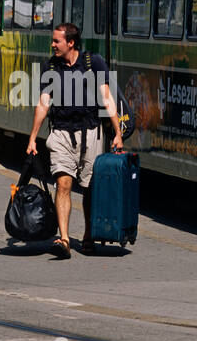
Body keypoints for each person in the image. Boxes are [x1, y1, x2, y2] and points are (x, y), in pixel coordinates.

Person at [26, 23, 124, 258]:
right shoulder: (50, 66)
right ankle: (65, 238)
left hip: (90, 133)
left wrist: (118, 132)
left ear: (70, 43)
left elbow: (107, 99)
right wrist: (32, 138)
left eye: (56, 41)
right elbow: (43, 103)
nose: (52, 45)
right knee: (63, 184)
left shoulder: (93, 63)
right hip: (60, 133)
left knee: (89, 188)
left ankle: (89, 233)